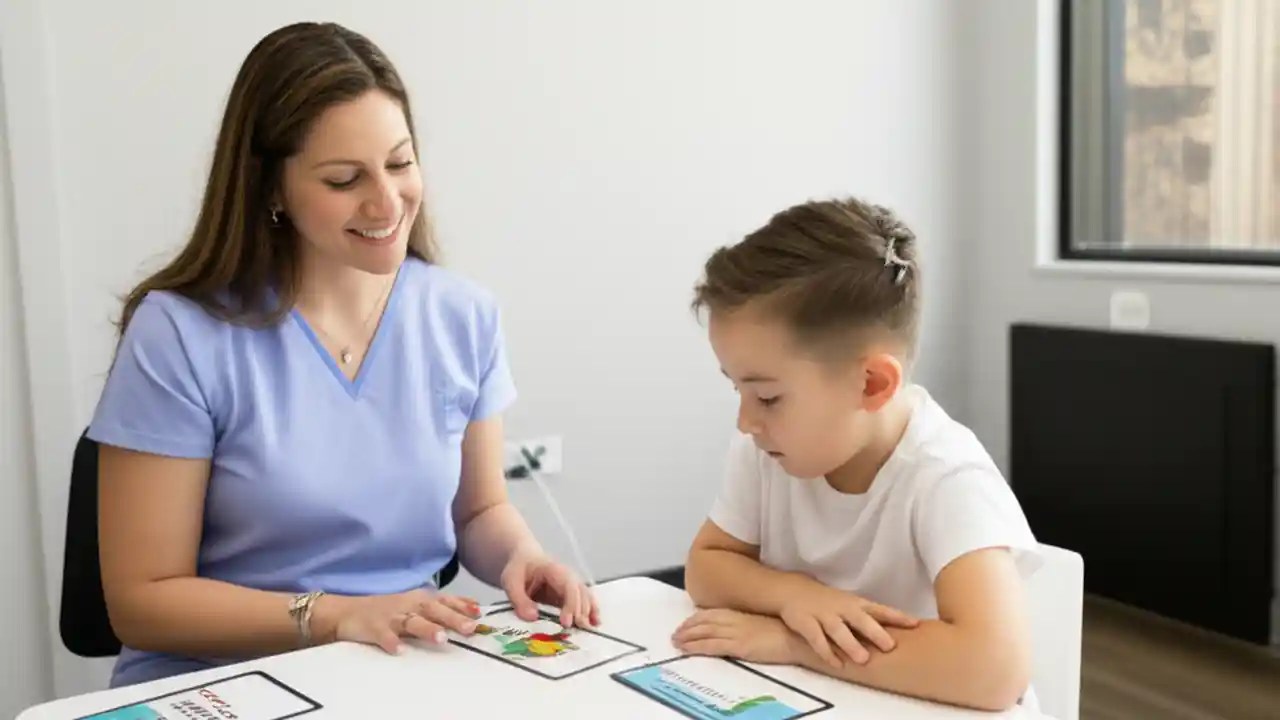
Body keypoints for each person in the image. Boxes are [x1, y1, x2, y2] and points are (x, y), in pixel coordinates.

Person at [88, 22, 596, 689]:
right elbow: (143, 603)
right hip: (219, 684)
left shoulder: (462, 316)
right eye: (342, 179)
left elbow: (477, 512)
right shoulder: (180, 335)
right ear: (271, 188)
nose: (387, 202)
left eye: (400, 162)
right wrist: (334, 617)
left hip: (398, 668)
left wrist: (520, 556)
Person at [671, 197, 1042, 711]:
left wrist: (794, 643)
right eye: (738, 390)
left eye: (768, 397)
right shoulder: (767, 446)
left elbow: (993, 669)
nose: (746, 420)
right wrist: (794, 597)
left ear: (870, 384)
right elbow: (705, 567)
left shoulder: (946, 475)